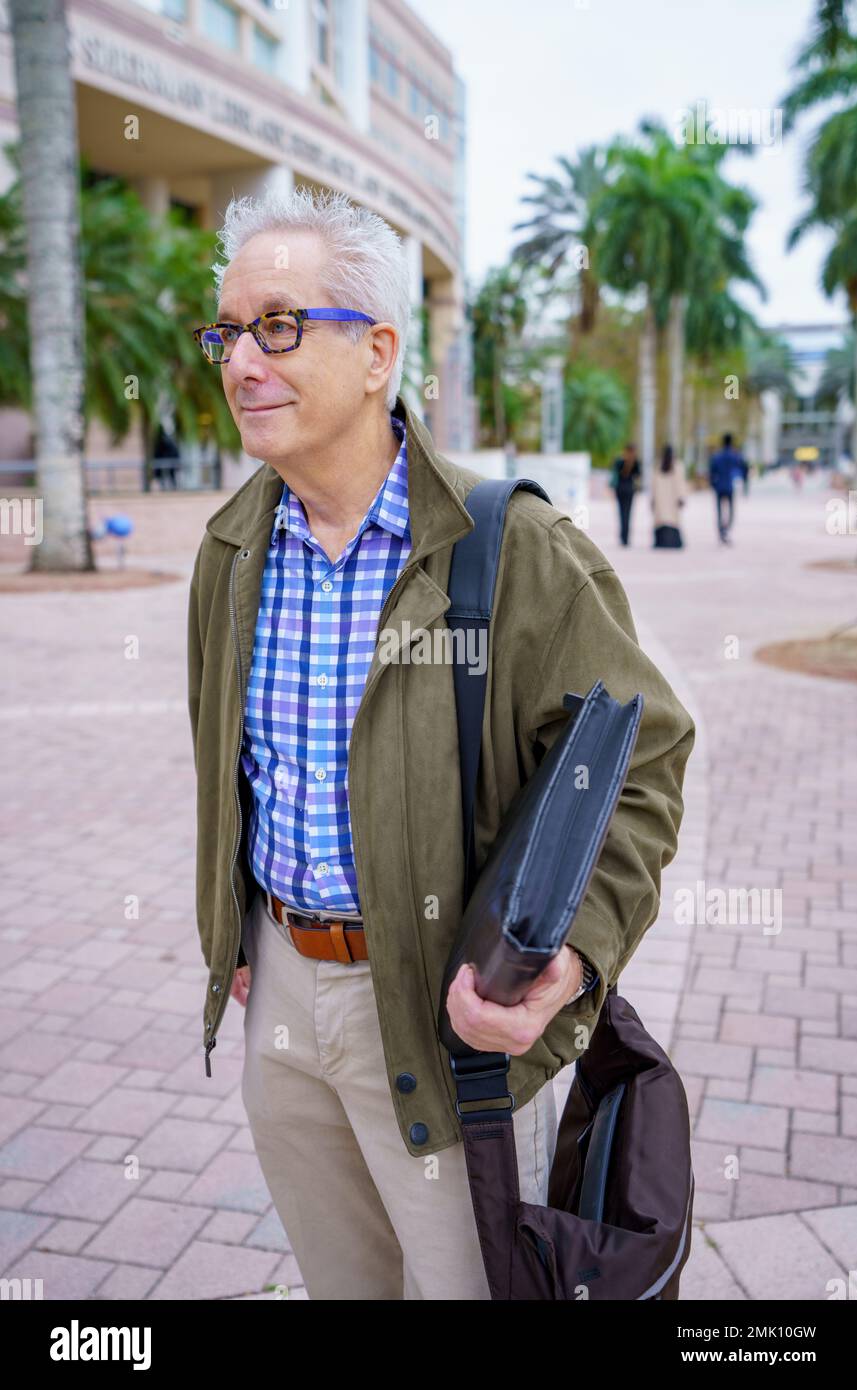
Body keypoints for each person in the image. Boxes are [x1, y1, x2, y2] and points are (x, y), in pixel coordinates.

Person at [186, 187, 695, 1301]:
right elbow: (227, 765)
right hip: (278, 995)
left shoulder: (511, 544)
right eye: (226, 332)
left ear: (377, 353)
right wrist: (228, 924)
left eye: (277, 325)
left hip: (437, 1017)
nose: (239, 361)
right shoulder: (229, 551)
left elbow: (643, 752)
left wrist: (568, 957)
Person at [708, 431, 747, 544]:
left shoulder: (717, 456)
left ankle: (721, 530)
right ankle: (727, 529)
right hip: (730, 486)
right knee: (730, 510)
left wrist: (713, 485)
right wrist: (743, 482)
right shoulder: (735, 455)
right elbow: (743, 468)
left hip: (719, 486)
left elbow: (712, 472)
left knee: (720, 510)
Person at [651, 443, 688, 547]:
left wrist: (653, 499)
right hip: (672, 500)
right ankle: (673, 542)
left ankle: (661, 542)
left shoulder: (658, 466)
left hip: (661, 500)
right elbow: (680, 483)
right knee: (672, 520)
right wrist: (681, 497)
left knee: (662, 520)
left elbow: (654, 485)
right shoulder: (678, 466)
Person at [609, 442, 641, 545]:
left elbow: (614, 472)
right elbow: (638, 475)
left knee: (621, 513)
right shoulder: (635, 462)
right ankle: (626, 538)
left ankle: (622, 537)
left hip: (620, 489)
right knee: (628, 513)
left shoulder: (619, 461)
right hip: (630, 489)